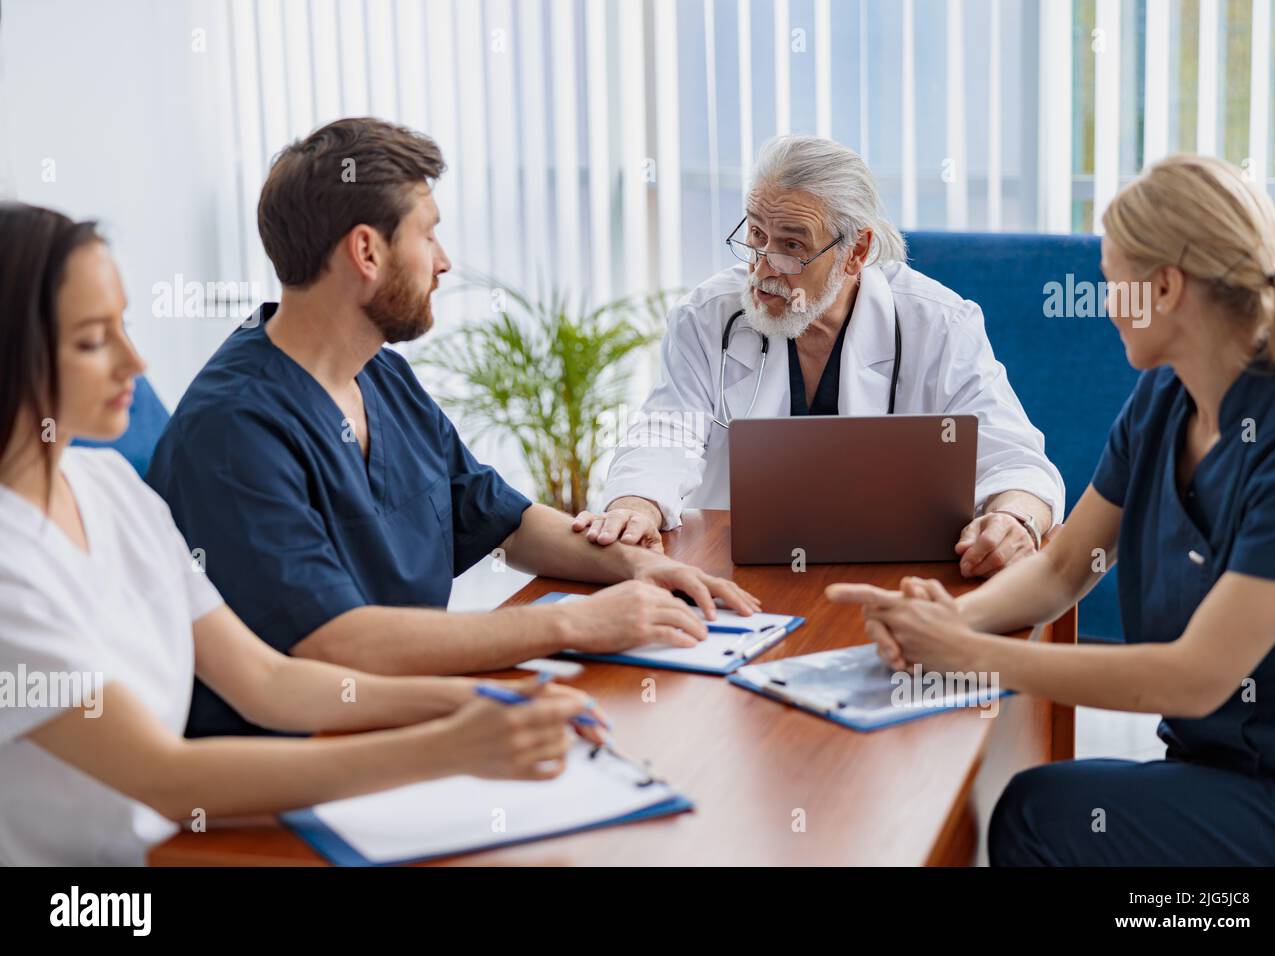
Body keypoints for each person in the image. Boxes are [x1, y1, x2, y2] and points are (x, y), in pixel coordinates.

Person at [0, 202, 607, 865]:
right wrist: (452, 747)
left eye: (125, 326)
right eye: (92, 340)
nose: (134, 362)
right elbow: (164, 777)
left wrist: (480, 699)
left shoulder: (110, 488)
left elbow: (266, 680)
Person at [145, 118, 759, 738]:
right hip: (301, 765)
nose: (444, 263)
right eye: (429, 235)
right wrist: (574, 622)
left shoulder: (380, 376)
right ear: (367, 251)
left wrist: (634, 569)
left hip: (415, 720)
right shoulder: (233, 431)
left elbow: (504, 520)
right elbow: (336, 643)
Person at [828, 154, 1275, 865]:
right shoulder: (1163, 402)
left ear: (1165, 288)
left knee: (1038, 816)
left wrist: (976, 658)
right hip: (1215, 768)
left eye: (1112, 283)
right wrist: (944, 623)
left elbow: (1197, 679)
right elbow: (1062, 567)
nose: (1106, 305)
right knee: (1039, 807)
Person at [576, 135, 1064, 578]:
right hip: (734, 572)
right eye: (756, 236)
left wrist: (1012, 518)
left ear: (856, 251)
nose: (763, 267)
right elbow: (665, 432)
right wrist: (635, 506)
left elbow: (1014, 456)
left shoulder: (939, 323)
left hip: (902, 578)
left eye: (792, 245)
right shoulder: (707, 316)